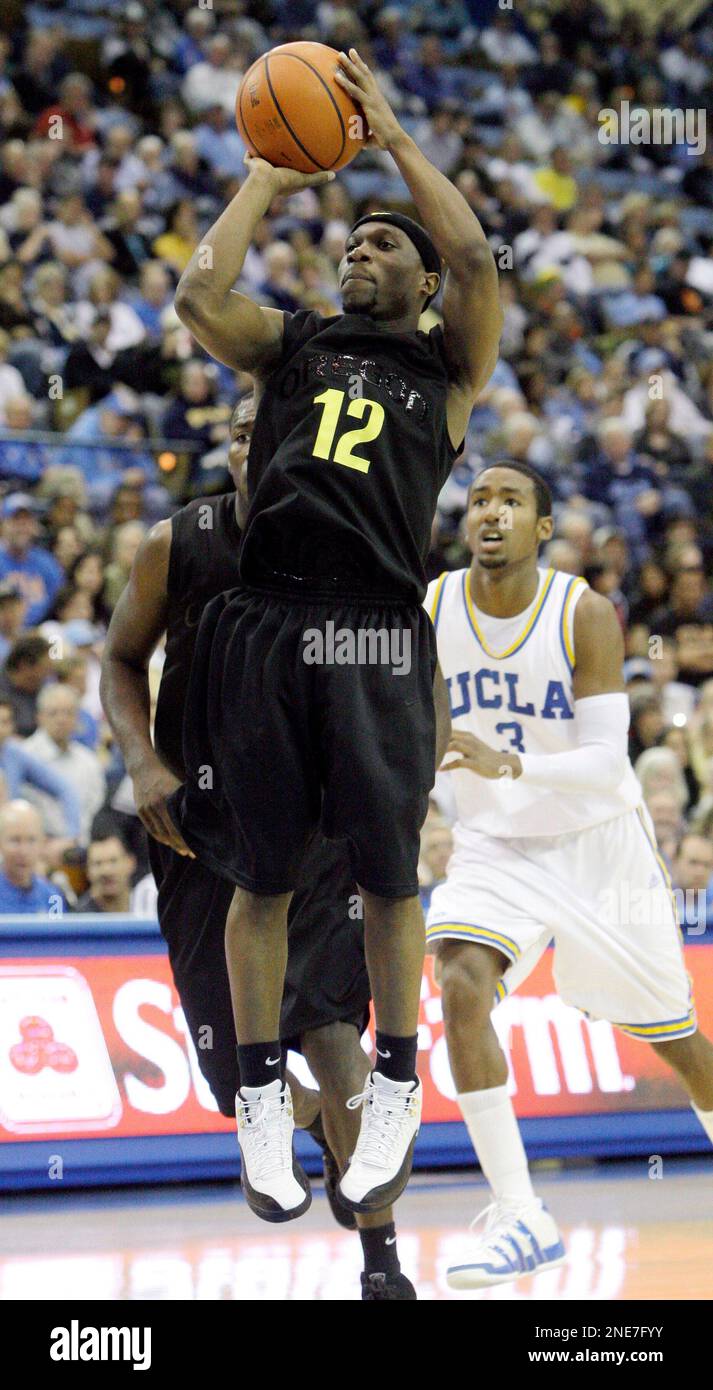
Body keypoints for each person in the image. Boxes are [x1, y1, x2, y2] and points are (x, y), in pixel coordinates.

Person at [168, 47, 499, 1223]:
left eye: (382, 244)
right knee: (258, 877)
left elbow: (468, 253)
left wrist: (396, 137)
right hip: (267, 621)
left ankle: (401, 1080)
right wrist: (261, 175)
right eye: (351, 241)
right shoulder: (293, 343)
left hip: (370, 630)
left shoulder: (448, 364)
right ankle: (262, 1095)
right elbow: (200, 300)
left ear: (416, 281)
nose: (362, 251)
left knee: (385, 874)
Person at [98, 395, 450, 1298]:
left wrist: (408, 785)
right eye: (241, 429)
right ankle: (314, 1130)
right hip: (197, 829)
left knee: (335, 1032)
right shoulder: (180, 542)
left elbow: (416, 661)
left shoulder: (350, 538)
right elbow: (119, 658)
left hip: (316, 825)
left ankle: (380, 1259)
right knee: (232, 1081)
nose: (253, 441)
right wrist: (142, 765)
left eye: (271, 427)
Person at [425, 460, 713, 1290]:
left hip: (596, 847)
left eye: (511, 500)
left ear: (541, 528)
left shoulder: (581, 613)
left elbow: (605, 765)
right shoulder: (433, 605)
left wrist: (505, 762)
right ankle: (521, 1216)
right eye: (479, 498)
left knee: (677, 1046)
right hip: (493, 847)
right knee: (460, 981)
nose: (490, 512)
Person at [0, 799, 66, 914]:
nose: (23, 851)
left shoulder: (52, 897)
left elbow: (60, 931)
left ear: (42, 842)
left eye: (31, 840)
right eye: (15, 840)